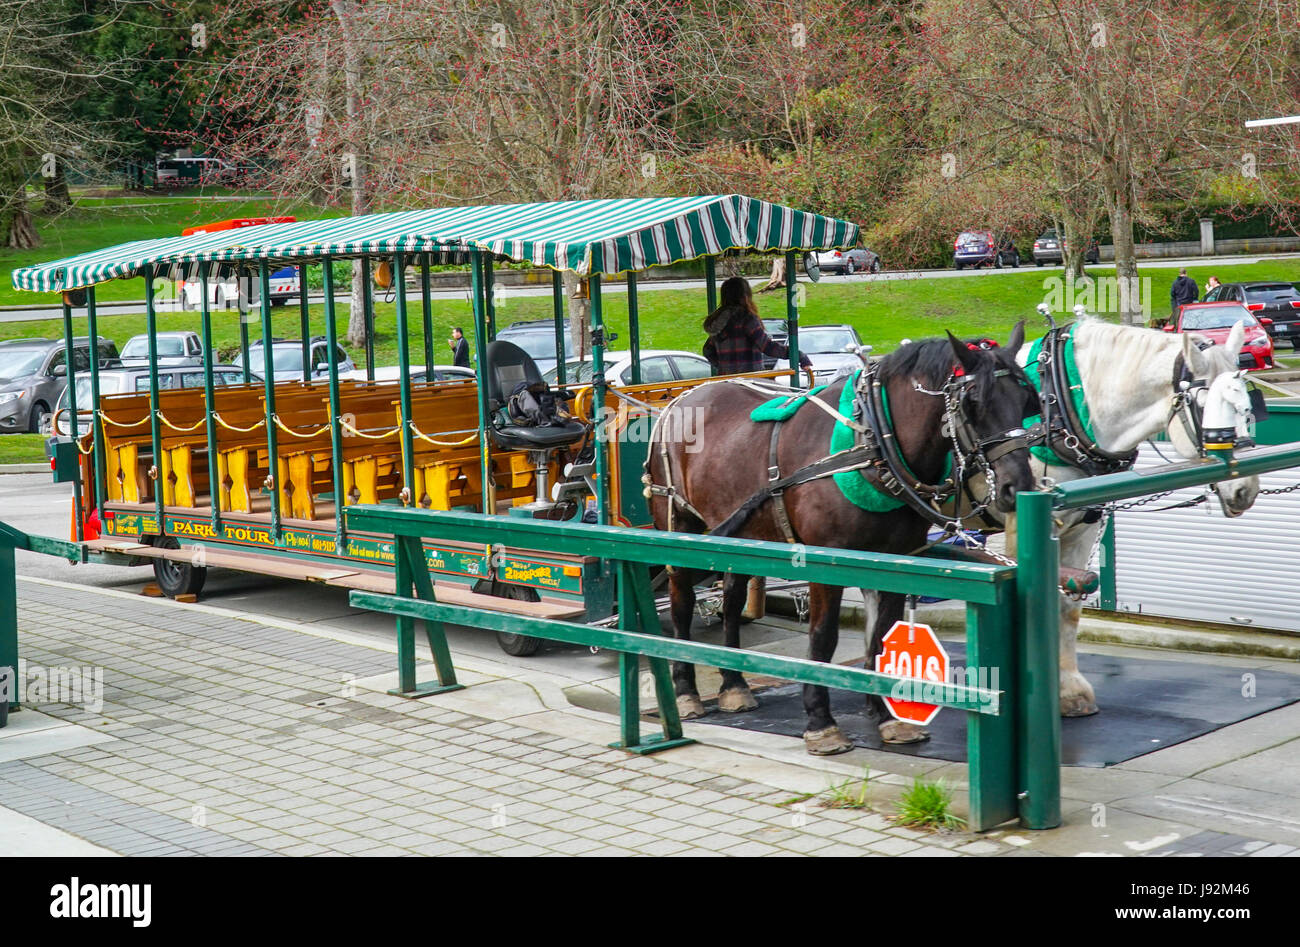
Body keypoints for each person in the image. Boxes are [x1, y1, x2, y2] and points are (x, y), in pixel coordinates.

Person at [703, 276, 812, 375]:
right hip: (751, 380)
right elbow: (767, 347)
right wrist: (798, 355)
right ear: (746, 295)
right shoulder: (746, 318)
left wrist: (724, 367)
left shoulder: (718, 322)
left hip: (726, 381)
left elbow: (708, 350)